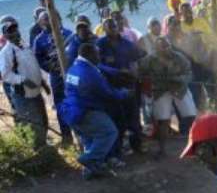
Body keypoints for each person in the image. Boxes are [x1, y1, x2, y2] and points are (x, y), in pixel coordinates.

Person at [59, 43, 125, 179]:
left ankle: (90, 172)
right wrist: (124, 94)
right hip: (85, 111)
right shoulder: (89, 73)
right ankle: (88, 159)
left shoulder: (75, 67)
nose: (99, 57)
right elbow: (108, 93)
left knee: (90, 139)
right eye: (97, 54)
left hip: (71, 111)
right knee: (109, 132)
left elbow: (100, 68)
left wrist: (118, 72)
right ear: (89, 55)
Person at [96, 18, 146, 162]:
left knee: (134, 117)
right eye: (109, 26)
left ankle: (137, 146)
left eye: (114, 26)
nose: (112, 28)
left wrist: (134, 72)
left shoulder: (127, 43)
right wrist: (116, 72)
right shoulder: (99, 44)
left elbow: (137, 59)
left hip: (129, 84)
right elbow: (96, 64)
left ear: (118, 27)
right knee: (116, 119)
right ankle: (118, 151)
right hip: (110, 88)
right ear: (104, 29)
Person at [138, 37, 196, 157]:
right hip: (161, 90)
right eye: (162, 47)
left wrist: (180, 79)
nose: (166, 49)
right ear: (156, 48)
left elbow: (189, 73)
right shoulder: (150, 59)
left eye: (167, 46)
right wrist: (147, 80)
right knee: (163, 120)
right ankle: (162, 149)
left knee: (191, 116)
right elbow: (140, 70)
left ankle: (195, 143)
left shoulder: (179, 57)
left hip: (180, 89)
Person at [0, 21, 49, 148]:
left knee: (43, 120)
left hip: (36, 92)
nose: (15, 32)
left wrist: (43, 82)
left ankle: (44, 146)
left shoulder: (25, 45)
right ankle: (39, 150)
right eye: (10, 31)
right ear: (5, 35)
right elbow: (5, 75)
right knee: (34, 124)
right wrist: (23, 80)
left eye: (15, 29)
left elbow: (33, 65)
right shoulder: (6, 52)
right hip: (23, 95)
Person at [33, 10, 74, 146]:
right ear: (40, 23)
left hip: (71, 74)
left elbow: (75, 51)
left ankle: (82, 135)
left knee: (77, 101)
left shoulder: (68, 33)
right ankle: (67, 136)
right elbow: (38, 58)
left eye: (51, 17)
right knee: (61, 105)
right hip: (56, 76)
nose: (49, 20)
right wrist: (49, 67)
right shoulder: (39, 40)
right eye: (45, 19)